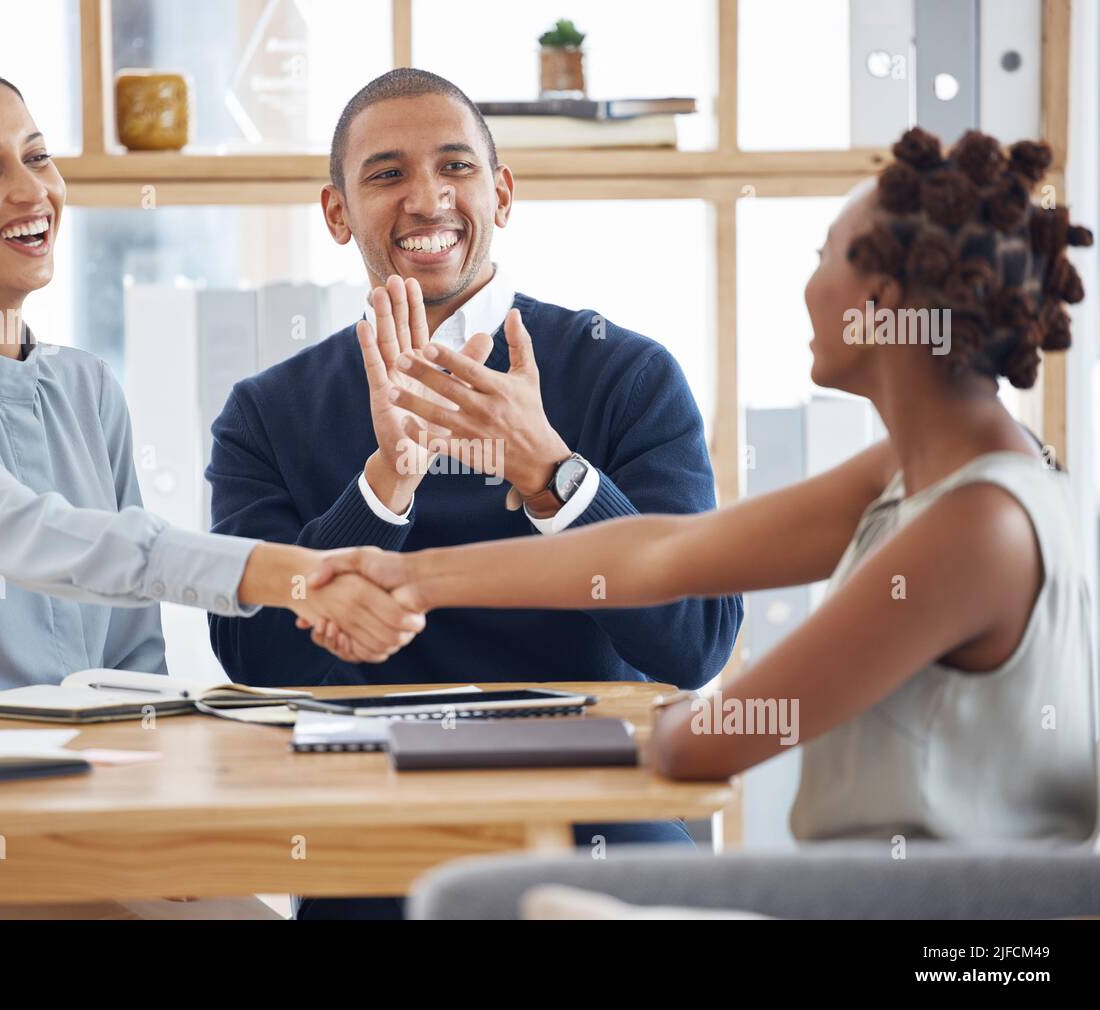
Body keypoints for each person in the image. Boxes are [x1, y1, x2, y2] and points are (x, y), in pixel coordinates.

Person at [312, 127, 1099, 846]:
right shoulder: (921, 468)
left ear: (882, 304)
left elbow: (708, 743)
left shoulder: (976, 527)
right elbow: (661, 553)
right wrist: (410, 577)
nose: (807, 286)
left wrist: (643, 716)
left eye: (824, 256)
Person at [0, 60, 420, 919]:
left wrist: (158, 808)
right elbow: (31, 534)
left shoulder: (85, 387)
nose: (32, 190)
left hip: (74, 808)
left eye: (37, 156)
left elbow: (132, 657)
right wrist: (290, 573)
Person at [206, 68, 742, 917]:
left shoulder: (628, 375)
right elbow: (256, 663)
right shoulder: (267, 413)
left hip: (599, 818)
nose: (427, 200)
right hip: (372, 833)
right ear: (338, 213)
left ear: (502, 193)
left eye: (455, 167)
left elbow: (698, 643)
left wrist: (554, 476)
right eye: (387, 174)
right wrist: (384, 486)